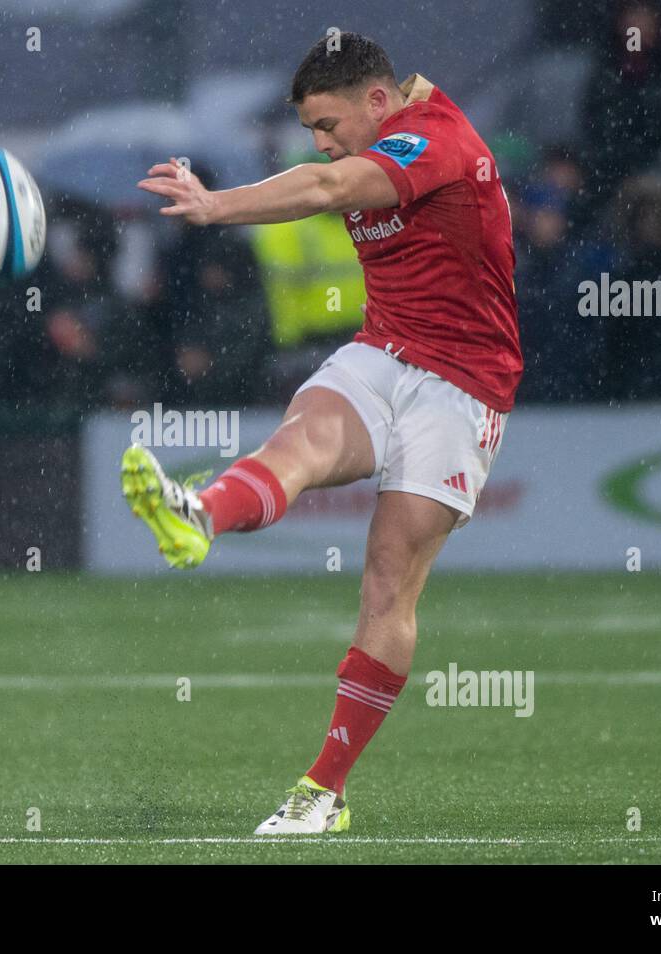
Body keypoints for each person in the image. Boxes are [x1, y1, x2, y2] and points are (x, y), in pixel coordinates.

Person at [124, 32, 521, 834]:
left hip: (462, 384)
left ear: (378, 102)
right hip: (383, 350)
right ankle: (200, 516)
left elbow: (329, 184)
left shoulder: (435, 138)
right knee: (297, 445)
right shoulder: (386, 130)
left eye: (327, 122)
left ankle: (323, 791)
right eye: (310, 127)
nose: (321, 140)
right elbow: (331, 172)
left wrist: (214, 205)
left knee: (387, 579)